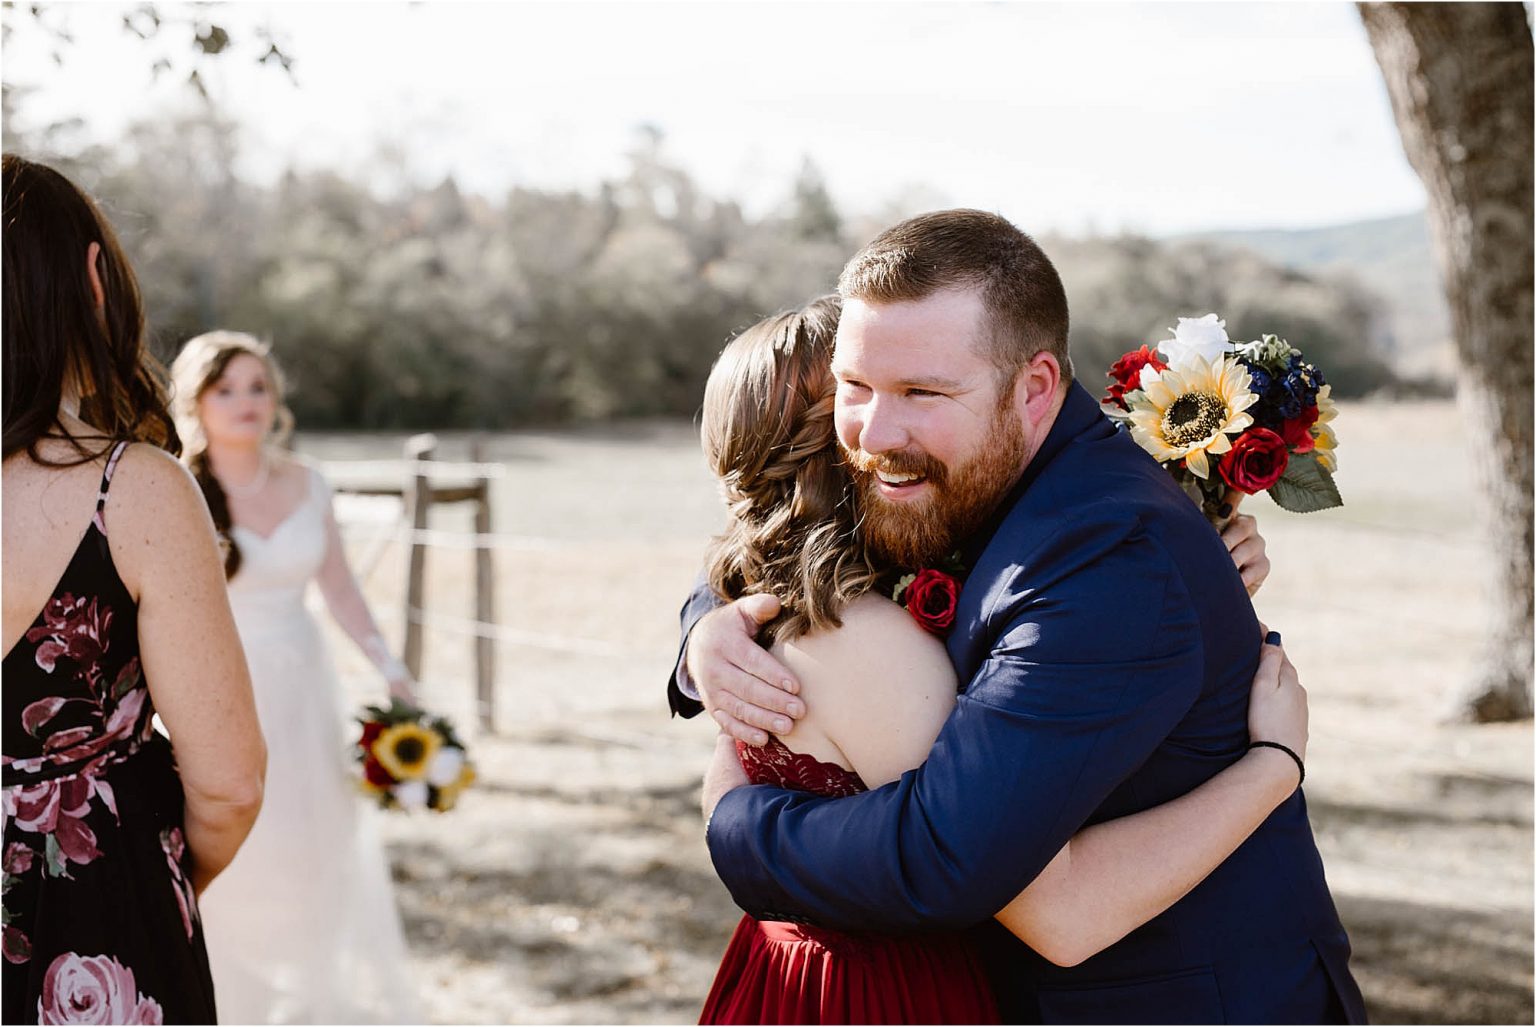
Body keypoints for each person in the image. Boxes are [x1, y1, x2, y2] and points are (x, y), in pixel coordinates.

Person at [678, 211, 1367, 1023]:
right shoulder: (960, 468)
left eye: (921, 393)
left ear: (1034, 387)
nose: (872, 433)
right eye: (855, 388)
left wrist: (735, 817)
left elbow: (950, 859)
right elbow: (792, 531)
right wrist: (705, 628)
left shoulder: (1109, 558)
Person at [2, 153, 266, 1023]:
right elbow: (227, 784)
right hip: (99, 924)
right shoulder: (137, 490)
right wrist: (147, 879)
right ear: (89, 275)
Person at [168, 331, 422, 1023]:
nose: (246, 401)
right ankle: (227, 991)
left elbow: (340, 588)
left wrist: (391, 668)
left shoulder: (308, 480)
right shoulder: (180, 485)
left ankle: (308, 998)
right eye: (226, 389)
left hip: (305, 680)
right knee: (234, 832)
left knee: (314, 836)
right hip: (222, 678)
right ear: (196, 400)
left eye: (258, 386)